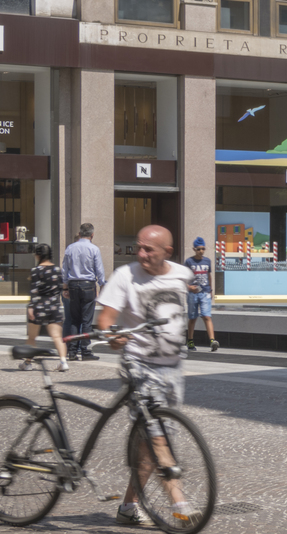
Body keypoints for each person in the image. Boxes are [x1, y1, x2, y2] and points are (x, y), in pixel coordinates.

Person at [95, 223, 196, 528]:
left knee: (149, 445)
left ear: (168, 251)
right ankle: (181, 505)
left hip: (173, 368)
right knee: (158, 436)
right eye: (138, 247)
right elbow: (106, 318)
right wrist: (112, 335)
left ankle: (129, 506)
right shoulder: (125, 276)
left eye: (148, 249)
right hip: (139, 365)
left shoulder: (183, 274)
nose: (141, 254)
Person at [61, 223, 105, 362]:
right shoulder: (94, 249)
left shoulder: (70, 248)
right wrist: (102, 284)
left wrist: (65, 287)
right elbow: (99, 270)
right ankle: (85, 351)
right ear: (92, 235)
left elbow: (65, 269)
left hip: (73, 284)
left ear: (79, 234)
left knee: (74, 319)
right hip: (88, 285)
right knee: (87, 320)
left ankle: (72, 351)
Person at [25, 243, 65, 369]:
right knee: (57, 336)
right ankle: (63, 362)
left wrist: (31, 307)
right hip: (54, 305)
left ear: (38, 255)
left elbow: (34, 290)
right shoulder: (57, 269)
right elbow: (61, 287)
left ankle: (27, 363)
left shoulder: (36, 270)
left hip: (39, 306)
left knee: (32, 337)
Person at [185, 238, 218, 354]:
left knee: (206, 316)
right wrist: (189, 287)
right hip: (193, 293)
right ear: (194, 249)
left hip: (204, 292)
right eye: (199, 249)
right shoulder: (189, 262)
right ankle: (190, 341)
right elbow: (184, 278)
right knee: (192, 318)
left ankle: (212, 340)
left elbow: (209, 275)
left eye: (203, 249)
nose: (201, 251)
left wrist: (210, 289)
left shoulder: (207, 261)